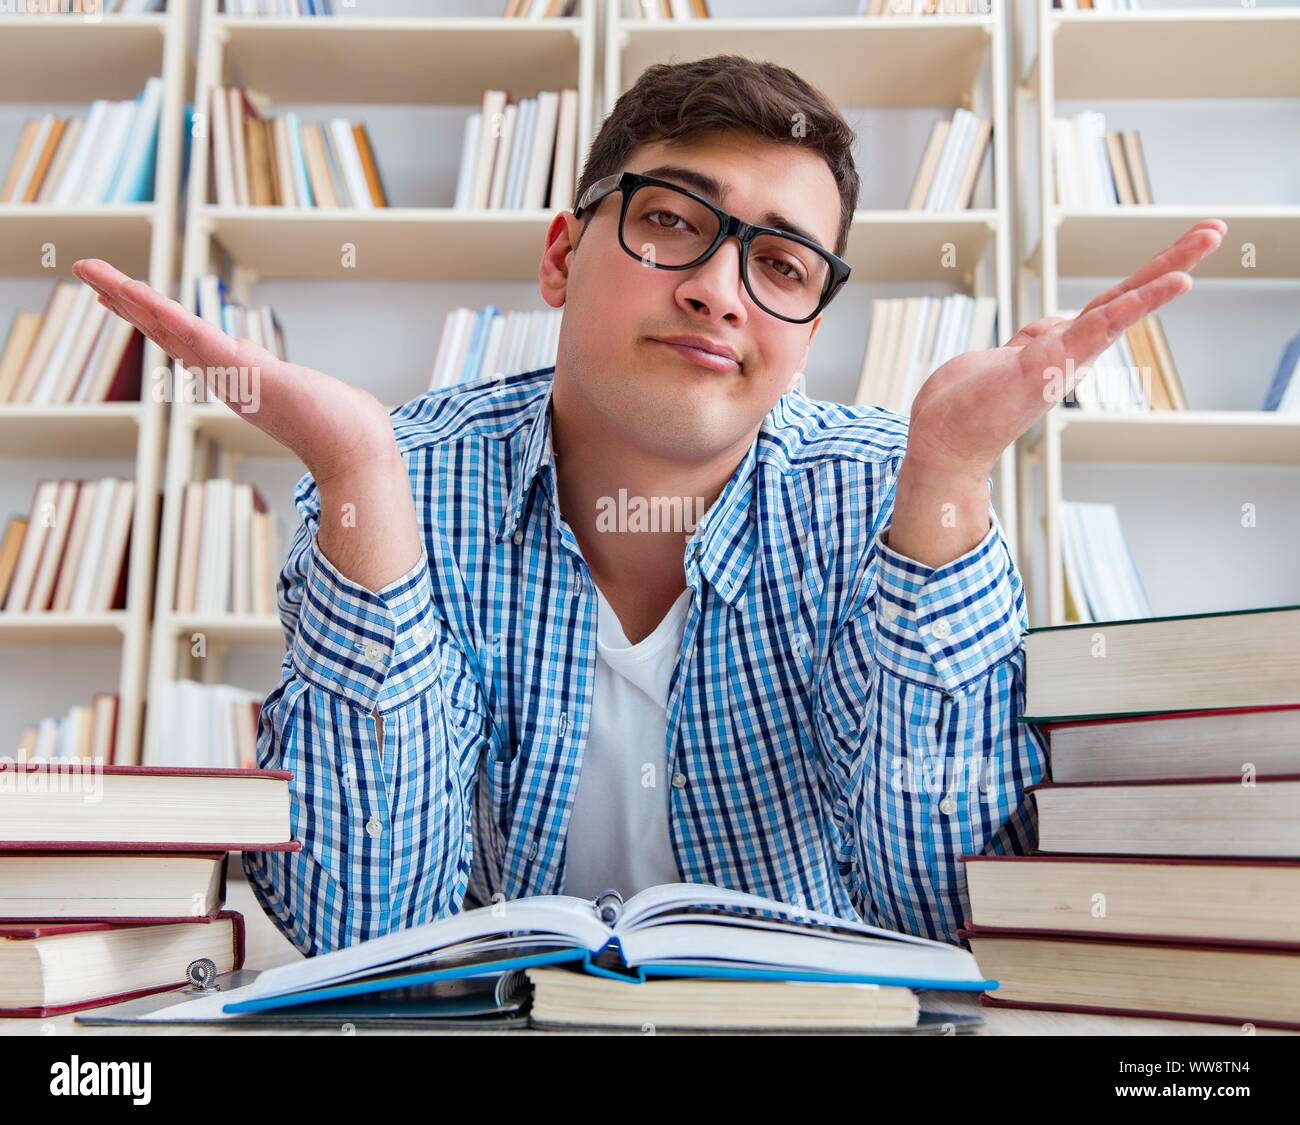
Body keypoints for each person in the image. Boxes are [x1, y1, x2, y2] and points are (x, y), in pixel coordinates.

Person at [74, 55, 1225, 958]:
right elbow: (363, 925)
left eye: (781, 268)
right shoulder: (409, 479)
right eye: (674, 218)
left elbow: (947, 912)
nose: (719, 289)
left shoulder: (890, 489)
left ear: (809, 330)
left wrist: (948, 484)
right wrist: (361, 482)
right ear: (563, 257)